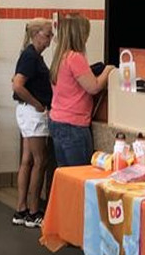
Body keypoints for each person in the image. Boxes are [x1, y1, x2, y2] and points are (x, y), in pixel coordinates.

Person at [49, 14, 114, 168]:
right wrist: (108, 70)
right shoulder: (75, 58)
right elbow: (94, 87)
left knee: (65, 174)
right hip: (74, 125)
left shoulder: (60, 57)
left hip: (57, 120)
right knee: (80, 173)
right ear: (79, 34)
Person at [11, 18, 53, 228]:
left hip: (27, 113)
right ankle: (34, 211)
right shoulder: (30, 56)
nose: (50, 39)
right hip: (32, 113)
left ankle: (21, 208)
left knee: (27, 160)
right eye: (47, 35)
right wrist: (37, 104)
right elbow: (18, 85)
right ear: (36, 34)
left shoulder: (34, 56)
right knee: (40, 160)